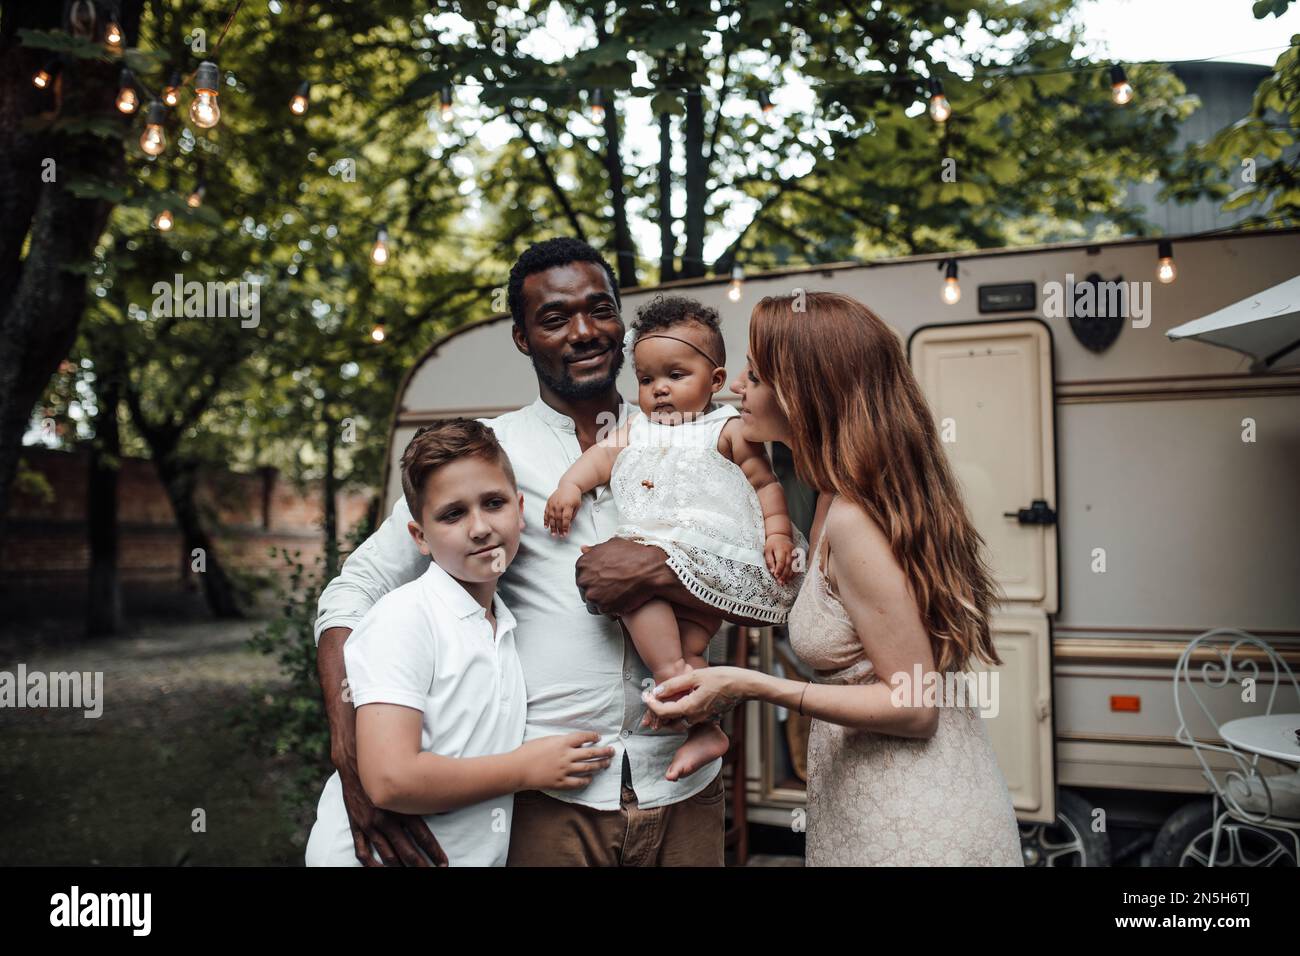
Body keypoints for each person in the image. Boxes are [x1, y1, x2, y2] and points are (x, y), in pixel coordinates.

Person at [314, 238, 768, 867]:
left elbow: (773, 588)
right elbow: (354, 588)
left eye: (600, 309)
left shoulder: (694, 435)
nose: (584, 331)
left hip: (684, 785)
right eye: (555, 318)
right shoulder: (486, 458)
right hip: (550, 795)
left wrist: (663, 572)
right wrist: (349, 744)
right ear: (524, 337)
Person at [643, 292, 1024, 867]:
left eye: (758, 373)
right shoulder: (828, 495)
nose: (735, 386)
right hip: (868, 806)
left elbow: (915, 707)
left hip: (915, 826)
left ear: (806, 393)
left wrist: (753, 685)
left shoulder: (853, 519)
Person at [304, 419, 613, 866]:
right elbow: (390, 778)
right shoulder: (405, 618)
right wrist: (526, 769)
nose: (480, 528)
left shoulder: (499, 623)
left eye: (494, 503)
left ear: (521, 508)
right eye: (453, 514)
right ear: (419, 537)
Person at [544, 296, 801, 782]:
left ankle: (671, 692)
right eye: (646, 380)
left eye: (676, 376)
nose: (659, 390)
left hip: (710, 562)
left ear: (716, 382)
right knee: (689, 654)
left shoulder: (725, 429)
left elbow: (767, 485)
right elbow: (597, 461)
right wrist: (568, 487)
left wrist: (779, 534)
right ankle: (704, 727)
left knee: (638, 602)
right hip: (660, 560)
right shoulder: (635, 430)